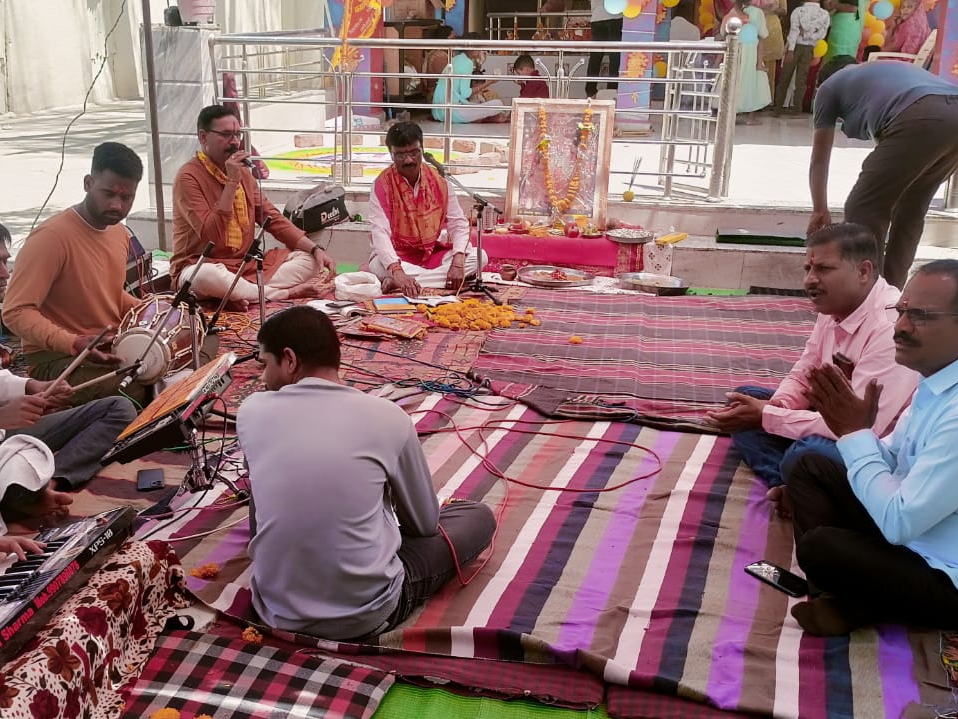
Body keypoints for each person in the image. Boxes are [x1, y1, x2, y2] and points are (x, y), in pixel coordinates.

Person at [238, 306, 496, 641]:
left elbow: (261, 505)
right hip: (367, 612)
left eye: (263, 364)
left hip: (275, 608)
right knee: (476, 516)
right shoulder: (388, 417)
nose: (262, 377)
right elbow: (424, 524)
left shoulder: (252, 412)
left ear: (289, 360)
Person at [786, 259, 958, 636]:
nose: (900, 326)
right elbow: (895, 462)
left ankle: (853, 601)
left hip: (946, 571)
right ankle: (846, 598)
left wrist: (853, 434)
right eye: (901, 311)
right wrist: (856, 431)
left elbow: (899, 522)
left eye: (921, 316)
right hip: (917, 531)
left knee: (822, 547)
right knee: (810, 466)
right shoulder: (936, 382)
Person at [706, 223, 917, 514]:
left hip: (875, 447)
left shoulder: (889, 327)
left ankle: (800, 483)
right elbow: (805, 370)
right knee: (744, 400)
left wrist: (768, 417)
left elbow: (864, 427)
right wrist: (775, 406)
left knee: (807, 453)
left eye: (824, 270)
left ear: (864, 271)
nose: (810, 280)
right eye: (808, 269)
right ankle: (790, 487)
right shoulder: (836, 306)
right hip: (833, 421)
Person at [2, 142, 146, 407]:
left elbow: (110, 295)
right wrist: (74, 342)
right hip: (57, 361)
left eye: (127, 198)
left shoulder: (118, 233)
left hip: (108, 348)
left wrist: (154, 310)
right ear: (88, 183)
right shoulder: (51, 238)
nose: (117, 205)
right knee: (133, 389)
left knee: (202, 340)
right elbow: (14, 311)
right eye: (109, 194)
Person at [807, 58, 958, 289]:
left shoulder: (829, 86)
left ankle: (869, 296)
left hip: (921, 114)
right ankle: (892, 293)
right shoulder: (881, 71)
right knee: (910, 209)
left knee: (862, 207)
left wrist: (819, 209)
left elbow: (819, 158)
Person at [170, 105, 337, 308]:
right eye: (225, 134)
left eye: (237, 134)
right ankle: (283, 293)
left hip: (243, 267)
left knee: (310, 262)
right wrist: (231, 183)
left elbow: (273, 219)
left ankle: (234, 295)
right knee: (208, 276)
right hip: (199, 265)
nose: (234, 142)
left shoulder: (245, 175)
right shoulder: (188, 177)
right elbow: (210, 236)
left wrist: (315, 249)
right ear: (203, 137)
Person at [367, 122, 487, 295]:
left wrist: (458, 262)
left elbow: (458, 224)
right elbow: (379, 233)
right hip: (399, 257)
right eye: (401, 155)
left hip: (432, 252)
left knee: (479, 257)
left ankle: (405, 283)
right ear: (391, 154)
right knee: (377, 264)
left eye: (414, 152)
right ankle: (409, 280)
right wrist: (398, 272)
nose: (408, 160)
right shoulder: (381, 185)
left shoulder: (440, 181)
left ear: (422, 149)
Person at [431, 34, 508, 124]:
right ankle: (486, 118)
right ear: (470, 47)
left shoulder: (456, 59)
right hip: (452, 112)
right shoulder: (467, 63)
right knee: (498, 104)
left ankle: (483, 118)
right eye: (478, 47)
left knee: (478, 105)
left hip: (439, 112)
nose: (480, 51)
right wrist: (490, 82)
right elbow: (465, 94)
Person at [773, 0, 830, 116]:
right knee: (801, 79)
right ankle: (797, 109)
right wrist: (810, 36)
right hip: (809, 48)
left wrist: (790, 50)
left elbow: (794, 31)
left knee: (785, 77)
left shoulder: (798, 11)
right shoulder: (824, 14)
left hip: (795, 47)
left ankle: (778, 108)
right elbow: (822, 34)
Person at [721, 0, 773, 123]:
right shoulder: (757, 13)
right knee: (752, 80)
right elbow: (762, 37)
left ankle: (730, 113)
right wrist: (759, 62)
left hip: (736, 51)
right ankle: (751, 117)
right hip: (750, 52)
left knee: (735, 80)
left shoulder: (730, 14)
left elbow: (723, 33)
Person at [586, 0, 623, 98]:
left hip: (597, 16)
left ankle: (590, 90)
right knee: (615, 56)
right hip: (616, 16)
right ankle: (612, 88)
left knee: (595, 56)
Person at [760, 0, 788, 100]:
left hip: (772, 29)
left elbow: (784, 11)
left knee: (770, 69)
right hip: (757, 24)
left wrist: (773, 9)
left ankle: (767, 99)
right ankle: (753, 100)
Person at [422, 25, 457, 101]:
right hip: (437, 96)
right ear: (445, 39)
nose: (455, 41)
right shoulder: (439, 56)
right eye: (453, 38)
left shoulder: (444, 54)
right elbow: (445, 80)